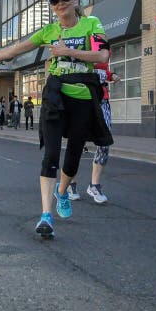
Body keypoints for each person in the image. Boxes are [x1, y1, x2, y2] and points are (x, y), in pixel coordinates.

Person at [0, 0, 111, 239]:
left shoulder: (91, 24)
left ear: (74, 1)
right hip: (55, 95)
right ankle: (46, 216)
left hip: (84, 95)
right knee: (51, 155)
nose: (61, 3)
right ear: (52, 8)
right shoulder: (49, 31)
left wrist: (67, 51)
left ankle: (62, 192)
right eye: (55, 1)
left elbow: (103, 57)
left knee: (73, 157)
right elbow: (15, 49)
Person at [67, 55, 120, 204]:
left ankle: (94, 185)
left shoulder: (103, 45)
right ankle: (70, 184)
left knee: (104, 144)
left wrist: (111, 75)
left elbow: (103, 70)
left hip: (102, 100)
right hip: (81, 98)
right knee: (77, 143)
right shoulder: (81, 40)